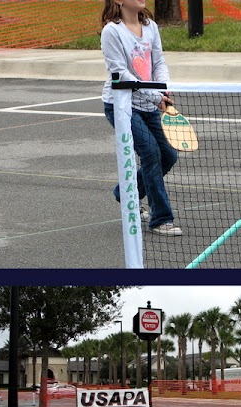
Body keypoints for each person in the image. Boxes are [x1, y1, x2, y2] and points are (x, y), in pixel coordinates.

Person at [101, 0, 181, 236]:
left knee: (168, 154)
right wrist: (155, 96)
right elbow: (120, 73)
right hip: (120, 105)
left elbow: (159, 62)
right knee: (151, 152)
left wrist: (163, 89)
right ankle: (161, 219)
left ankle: (125, 193)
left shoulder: (150, 26)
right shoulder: (112, 31)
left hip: (149, 102)